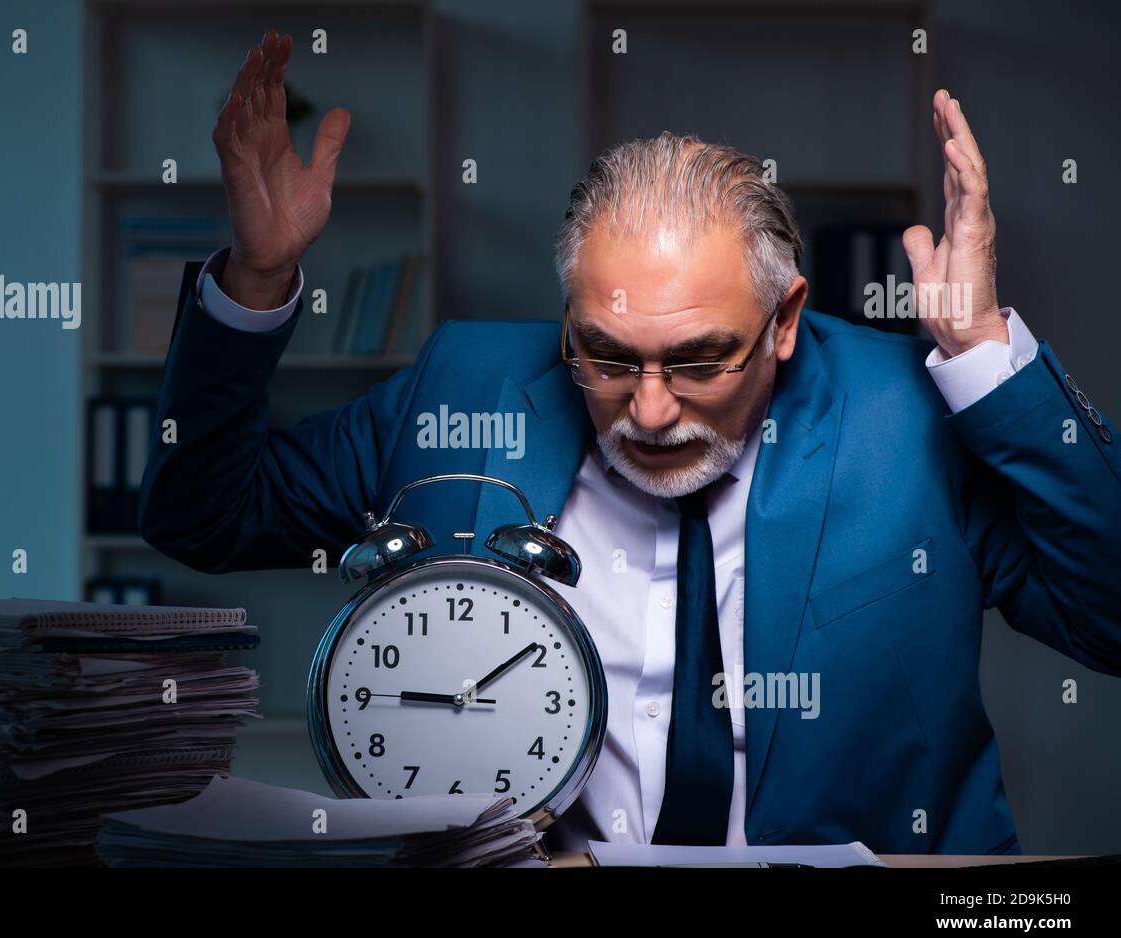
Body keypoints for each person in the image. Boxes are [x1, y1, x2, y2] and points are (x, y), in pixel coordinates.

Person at [139, 29, 1121, 854]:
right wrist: (256, 286)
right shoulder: (466, 383)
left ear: (783, 320)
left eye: (699, 363)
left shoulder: (903, 416)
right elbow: (203, 518)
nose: (649, 412)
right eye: (606, 358)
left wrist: (988, 358)